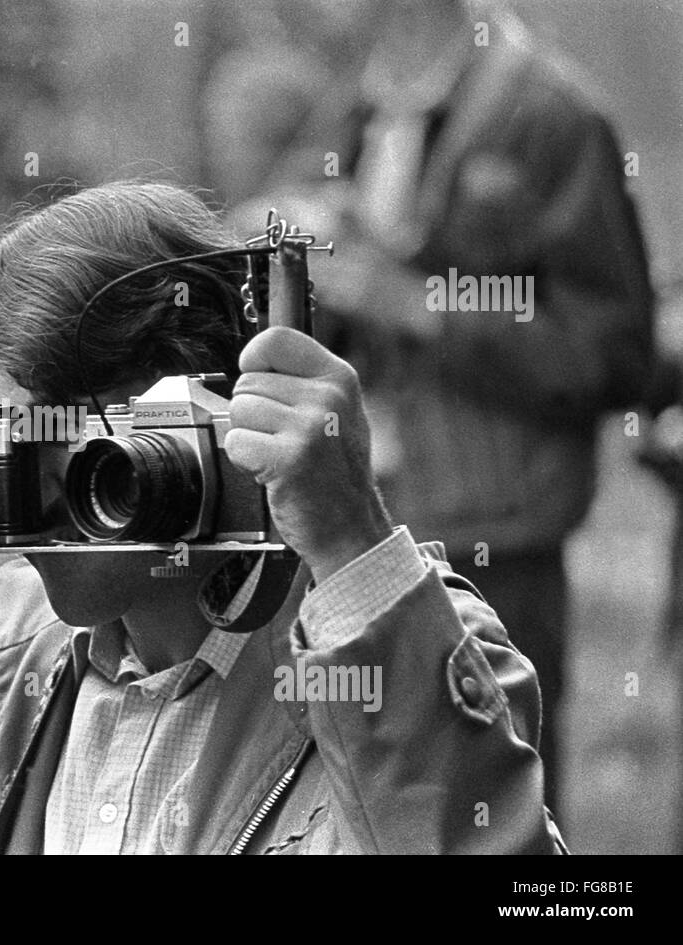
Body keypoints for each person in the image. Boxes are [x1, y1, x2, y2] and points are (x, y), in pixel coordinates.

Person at [0, 181, 564, 854]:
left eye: (54, 450)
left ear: (205, 415)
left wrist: (354, 549)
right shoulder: (9, 679)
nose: (18, 502)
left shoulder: (402, 644)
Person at [229, 0, 655, 816]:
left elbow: (614, 351)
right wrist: (300, 248)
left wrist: (414, 303)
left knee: (503, 814)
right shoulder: (368, 97)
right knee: (381, 810)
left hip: (499, 543)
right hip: (365, 532)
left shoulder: (549, 111)